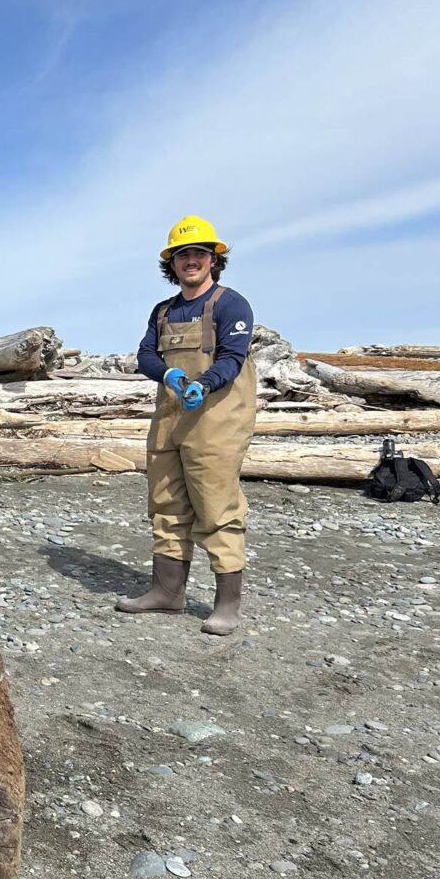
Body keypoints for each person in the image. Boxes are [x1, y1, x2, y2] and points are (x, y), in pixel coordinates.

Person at [116, 216, 256, 636]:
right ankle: (167, 593)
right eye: (182, 255)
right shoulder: (164, 311)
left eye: (199, 253)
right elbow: (145, 356)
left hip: (217, 420)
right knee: (165, 503)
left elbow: (232, 358)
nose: (191, 261)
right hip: (170, 418)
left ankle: (226, 605)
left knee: (216, 506)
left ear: (214, 260)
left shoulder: (231, 304)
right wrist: (170, 376)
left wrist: (204, 383)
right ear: (171, 264)